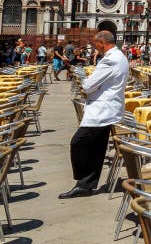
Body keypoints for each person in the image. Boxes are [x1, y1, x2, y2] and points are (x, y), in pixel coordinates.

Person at [59, 31, 128, 198]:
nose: (95, 48)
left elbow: (89, 86)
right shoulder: (120, 57)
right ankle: (86, 185)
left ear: (102, 43)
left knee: (78, 143)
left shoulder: (110, 60)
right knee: (97, 148)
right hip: (107, 109)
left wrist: (87, 83)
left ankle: (83, 180)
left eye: (96, 45)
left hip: (101, 111)